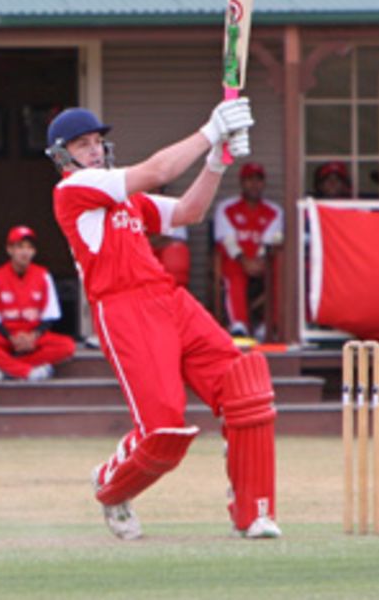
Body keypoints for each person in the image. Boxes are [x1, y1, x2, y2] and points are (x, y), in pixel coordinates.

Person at [45, 101, 280, 541]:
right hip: (124, 308)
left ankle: (253, 513)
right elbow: (157, 170)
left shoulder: (126, 198)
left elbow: (188, 212)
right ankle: (111, 484)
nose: (94, 150)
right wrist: (210, 131)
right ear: (62, 156)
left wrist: (216, 163)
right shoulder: (73, 190)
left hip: (168, 298)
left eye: (97, 142)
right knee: (164, 432)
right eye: (82, 145)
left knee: (245, 388)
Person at [0, 226, 76, 381]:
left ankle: (10, 369)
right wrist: (12, 337)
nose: (25, 252)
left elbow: (50, 315)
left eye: (29, 247)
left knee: (67, 346)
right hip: (6, 335)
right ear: (9, 250)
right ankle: (28, 372)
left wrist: (32, 336)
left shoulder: (43, 275)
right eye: (19, 247)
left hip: (34, 335)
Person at [213, 162, 283, 339]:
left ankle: (271, 325)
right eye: (249, 180)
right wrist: (244, 260)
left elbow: (272, 239)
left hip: (263, 262)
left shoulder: (274, 211)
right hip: (238, 260)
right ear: (242, 182)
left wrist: (260, 261)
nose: (254, 184)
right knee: (231, 267)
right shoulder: (226, 208)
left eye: (258, 180)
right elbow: (226, 240)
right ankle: (239, 324)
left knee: (280, 267)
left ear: (264, 183)